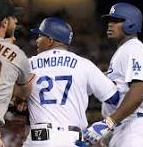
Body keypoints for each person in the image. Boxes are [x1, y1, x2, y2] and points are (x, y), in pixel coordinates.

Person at [22, 17, 120, 147]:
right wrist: (107, 123)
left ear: (50, 40)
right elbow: (114, 98)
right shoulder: (84, 65)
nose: (36, 40)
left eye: (40, 36)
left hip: (38, 139)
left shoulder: (28, 64)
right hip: (71, 139)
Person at [83, 2, 143, 147]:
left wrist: (109, 122)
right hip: (124, 125)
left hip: (134, 126)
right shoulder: (124, 50)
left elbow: (140, 89)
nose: (110, 24)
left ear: (131, 23)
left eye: (116, 21)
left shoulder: (133, 48)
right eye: (109, 21)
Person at [0, 0, 34, 146]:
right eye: (13, 18)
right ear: (5, 22)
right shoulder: (16, 54)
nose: (16, 22)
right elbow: (25, 93)